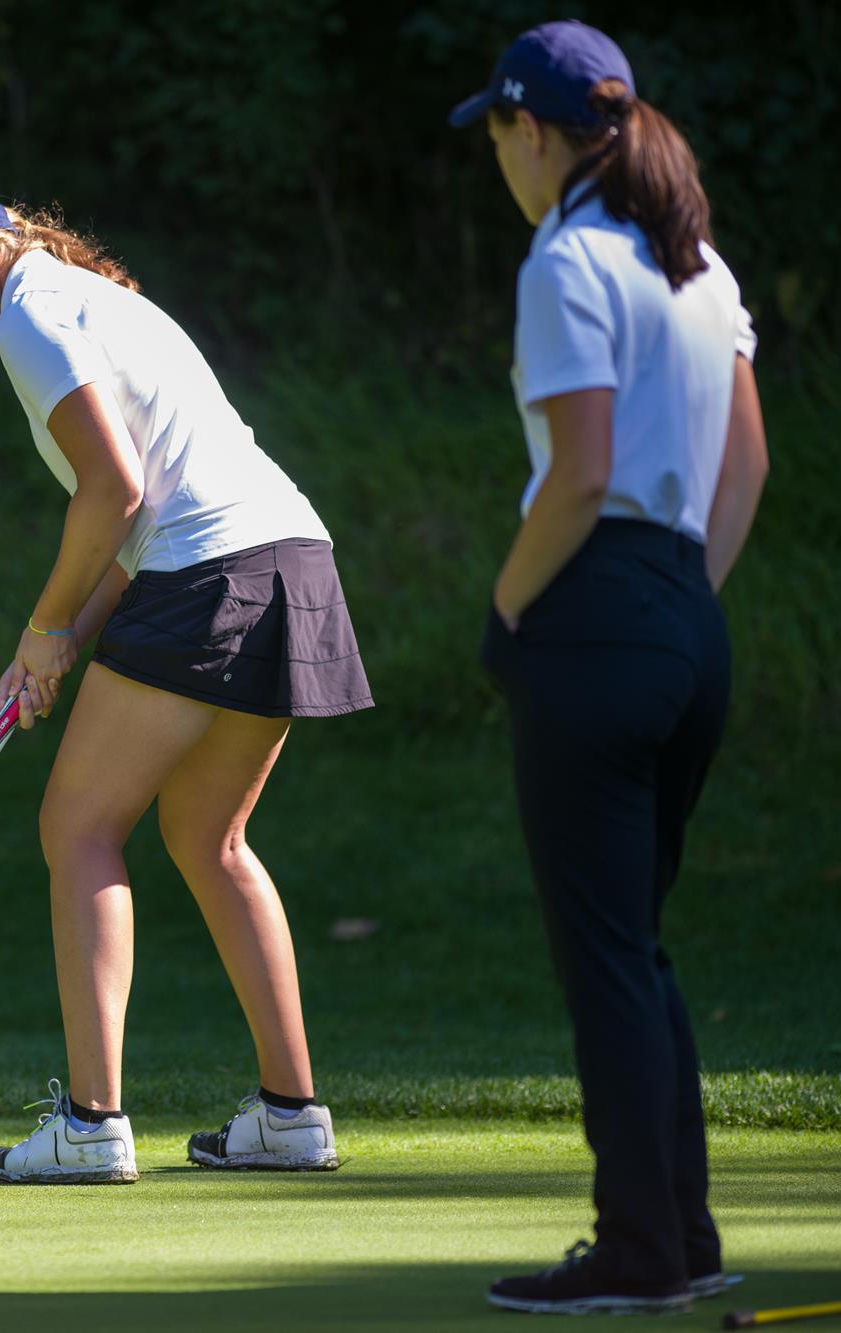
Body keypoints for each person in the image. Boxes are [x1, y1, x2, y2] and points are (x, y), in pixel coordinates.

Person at [0, 189, 374, 1183]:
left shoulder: (30, 316)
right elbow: (136, 526)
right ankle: (288, 1112)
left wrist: (44, 625)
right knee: (205, 836)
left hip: (211, 567)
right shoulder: (88, 302)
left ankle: (91, 1124)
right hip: (288, 561)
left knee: (76, 826)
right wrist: (54, 646)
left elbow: (113, 490)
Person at [449, 19, 769, 1316]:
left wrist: (506, 609)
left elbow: (578, 476)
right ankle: (679, 1238)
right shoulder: (701, 264)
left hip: (595, 611)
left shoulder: (567, 257)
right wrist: (680, 603)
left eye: (500, 136)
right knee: (638, 944)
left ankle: (639, 1249)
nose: (500, 160)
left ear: (534, 131)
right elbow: (746, 469)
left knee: (603, 953)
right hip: (691, 617)